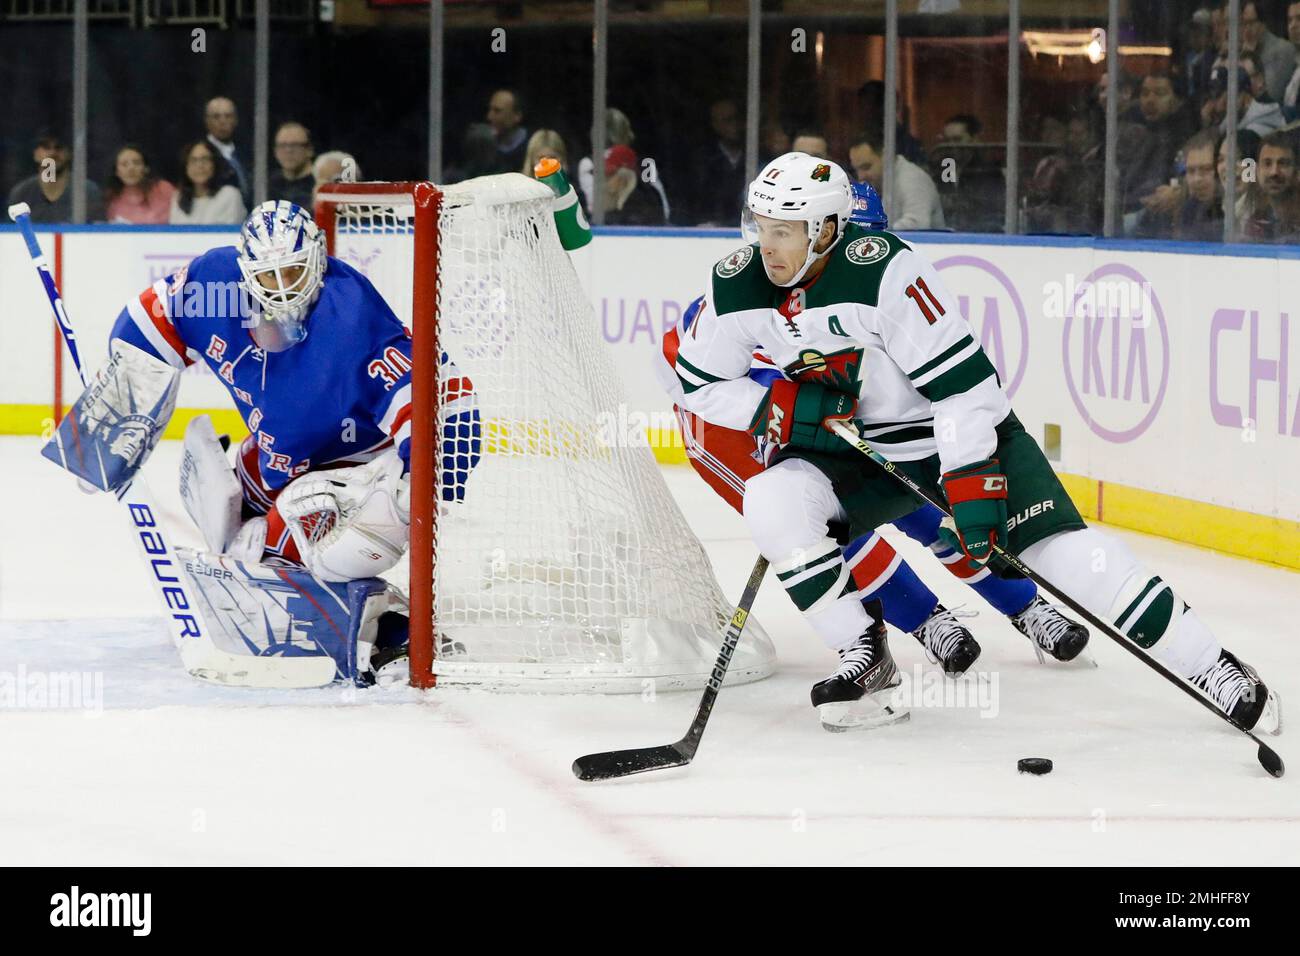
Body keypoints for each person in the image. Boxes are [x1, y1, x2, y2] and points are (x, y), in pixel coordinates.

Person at [669, 152, 1282, 735]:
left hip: (955, 432)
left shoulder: (887, 270)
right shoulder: (739, 282)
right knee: (772, 502)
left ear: (827, 228)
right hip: (856, 448)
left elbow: (965, 391)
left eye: (785, 230)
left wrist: (969, 480)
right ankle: (867, 659)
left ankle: (1211, 666)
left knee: (1064, 556)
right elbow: (698, 381)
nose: (766, 245)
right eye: (762, 227)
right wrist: (777, 406)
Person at [657, 174, 1087, 681]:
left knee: (931, 506)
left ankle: (1025, 607)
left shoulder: (874, 282)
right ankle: (928, 623)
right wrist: (784, 406)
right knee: (833, 533)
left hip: (848, 416)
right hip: (735, 437)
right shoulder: (748, 296)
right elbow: (691, 372)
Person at [848, 125, 945, 230]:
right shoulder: (870, 185)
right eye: (857, 170)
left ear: (887, 156)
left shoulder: (913, 179)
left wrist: (874, 231)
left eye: (866, 167)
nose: (861, 176)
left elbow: (917, 224)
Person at [6, 131, 103, 223]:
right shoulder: (22, 192)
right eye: (46, 147)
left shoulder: (87, 191)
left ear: (69, 153)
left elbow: (97, 231)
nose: (52, 153)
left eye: (59, 147)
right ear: (36, 154)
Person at [170, 139, 246, 224]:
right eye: (193, 160)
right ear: (186, 167)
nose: (200, 165)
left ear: (215, 164)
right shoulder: (178, 197)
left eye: (205, 159)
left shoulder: (229, 195)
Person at [103, 144, 175, 224]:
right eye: (124, 164)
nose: (131, 168)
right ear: (117, 172)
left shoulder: (163, 188)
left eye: (136, 163)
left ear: (146, 169)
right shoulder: (112, 197)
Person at [204, 96, 251, 208]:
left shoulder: (248, 153)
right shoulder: (202, 154)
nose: (223, 121)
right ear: (207, 121)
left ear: (235, 120)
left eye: (228, 116)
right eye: (216, 117)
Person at [268, 121, 315, 209]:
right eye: (282, 145)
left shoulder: (319, 185)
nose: (288, 150)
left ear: (309, 150)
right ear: (275, 151)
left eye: (295, 145)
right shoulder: (269, 185)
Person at [485, 89, 528, 175]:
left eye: (497, 111)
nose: (489, 117)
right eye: (490, 110)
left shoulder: (531, 147)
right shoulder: (485, 147)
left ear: (517, 115)